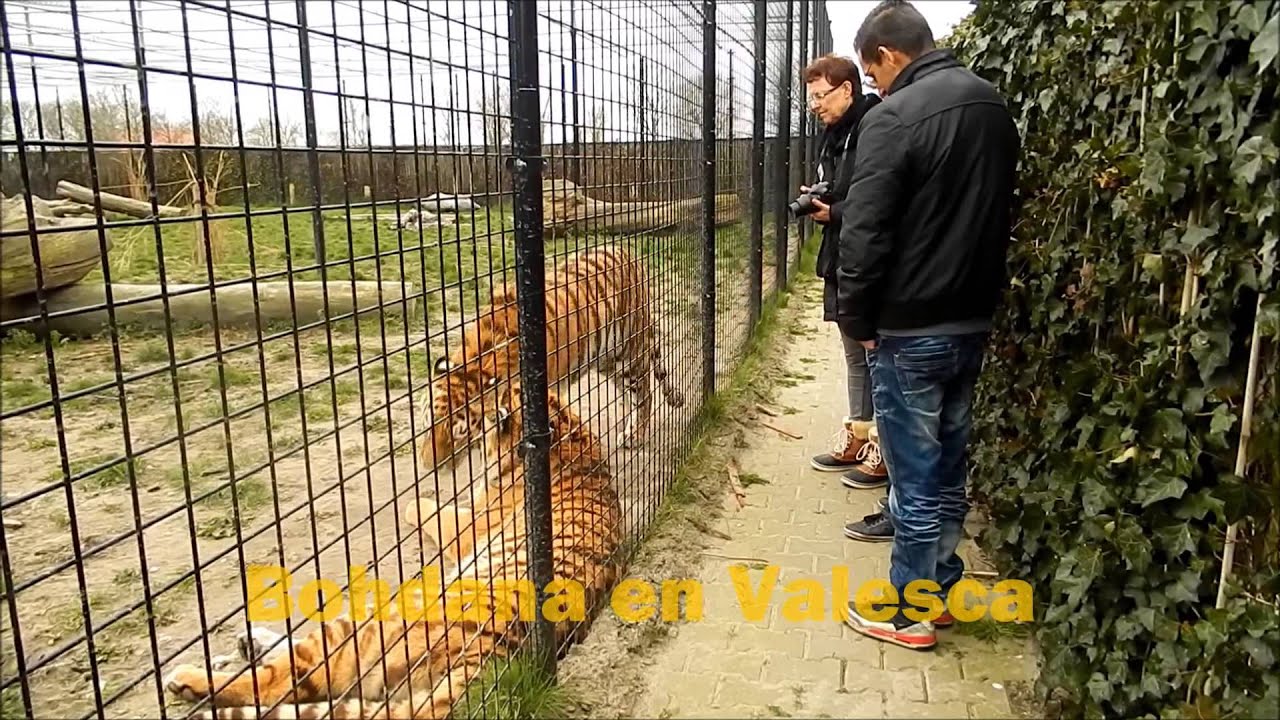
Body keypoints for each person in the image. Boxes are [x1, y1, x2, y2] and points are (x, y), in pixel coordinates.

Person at [835, 0, 1021, 650]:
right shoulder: (992, 104)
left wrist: (855, 317)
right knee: (947, 471)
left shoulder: (894, 117)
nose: (874, 87)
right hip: (971, 321)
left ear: (888, 55)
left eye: (871, 73)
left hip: (910, 327)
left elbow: (863, 231)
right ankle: (939, 591)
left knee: (913, 479)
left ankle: (907, 613)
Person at [800, 53, 893, 537]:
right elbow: (845, 188)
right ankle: (858, 434)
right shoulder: (833, 136)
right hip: (841, 255)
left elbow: (880, 197)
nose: (814, 105)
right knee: (853, 353)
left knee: (876, 355)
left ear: (847, 90)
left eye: (821, 95)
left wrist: (833, 213)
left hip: (867, 259)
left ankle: (882, 449)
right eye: (810, 97)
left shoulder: (876, 126)